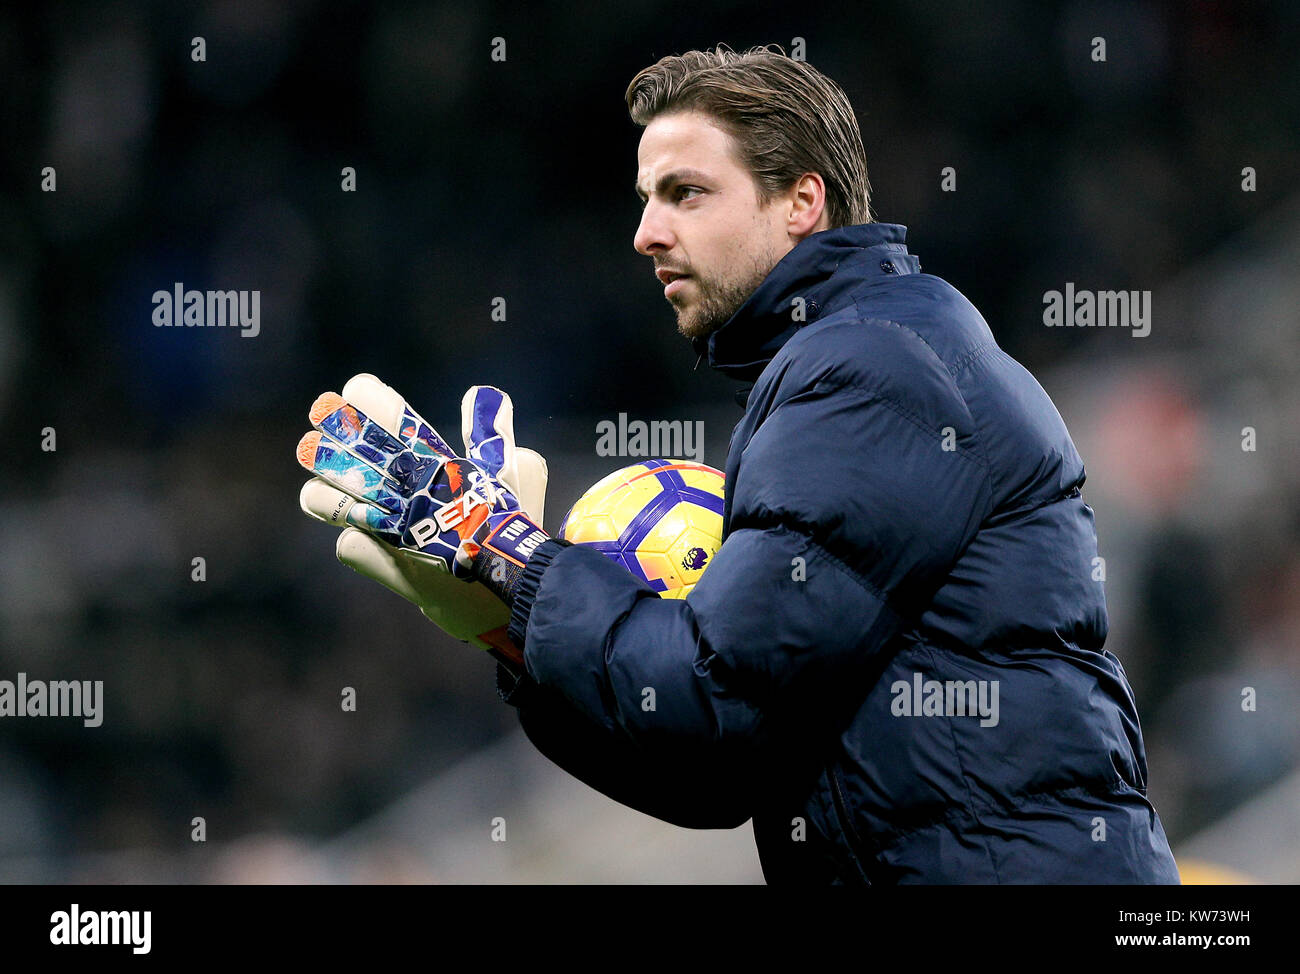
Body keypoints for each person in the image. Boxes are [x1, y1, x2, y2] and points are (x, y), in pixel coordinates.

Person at [299, 44, 1180, 884]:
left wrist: (512, 557)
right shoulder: (861, 358)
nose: (646, 233)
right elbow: (717, 771)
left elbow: (710, 699)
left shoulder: (872, 369)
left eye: (686, 193)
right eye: (644, 199)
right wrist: (513, 629)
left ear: (801, 201)